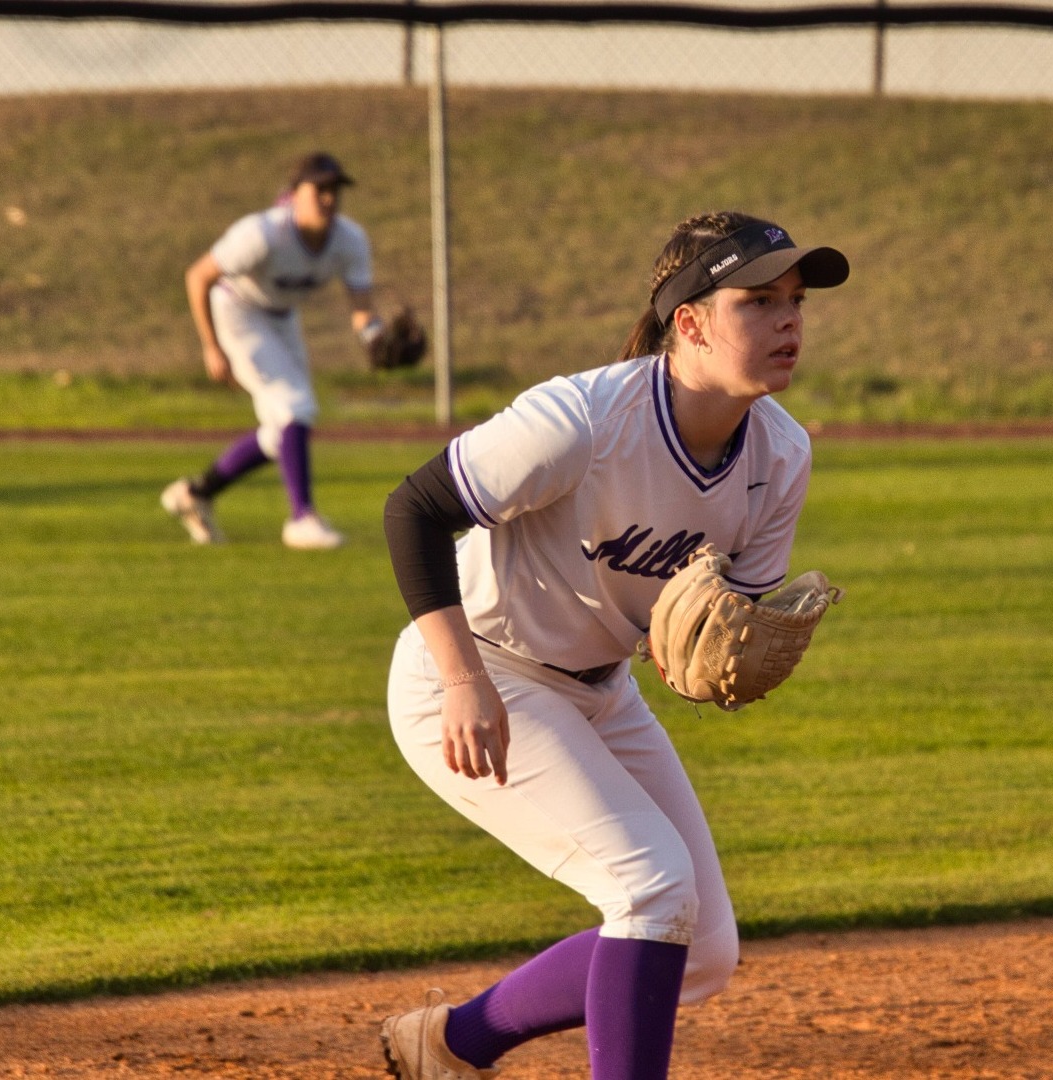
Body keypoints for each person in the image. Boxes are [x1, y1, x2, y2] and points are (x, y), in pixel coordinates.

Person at [377, 211, 849, 1080]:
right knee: (651, 887)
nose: (789, 321)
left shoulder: (779, 454)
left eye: (797, 301)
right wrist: (460, 681)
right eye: (760, 301)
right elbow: (414, 510)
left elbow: (724, 611)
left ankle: (448, 1044)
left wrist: (715, 652)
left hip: (598, 690)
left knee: (700, 950)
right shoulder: (583, 419)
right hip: (482, 672)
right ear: (693, 323)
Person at [160, 150, 382, 550]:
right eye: (320, 190)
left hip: (282, 316)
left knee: (284, 426)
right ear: (295, 193)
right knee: (295, 407)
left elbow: (361, 308)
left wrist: (376, 338)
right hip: (237, 309)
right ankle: (302, 519)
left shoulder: (349, 239)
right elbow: (198, 276)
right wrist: (212, 347)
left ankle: (197, 494)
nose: (329, 199)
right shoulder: (262, 232)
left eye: (335, 190)